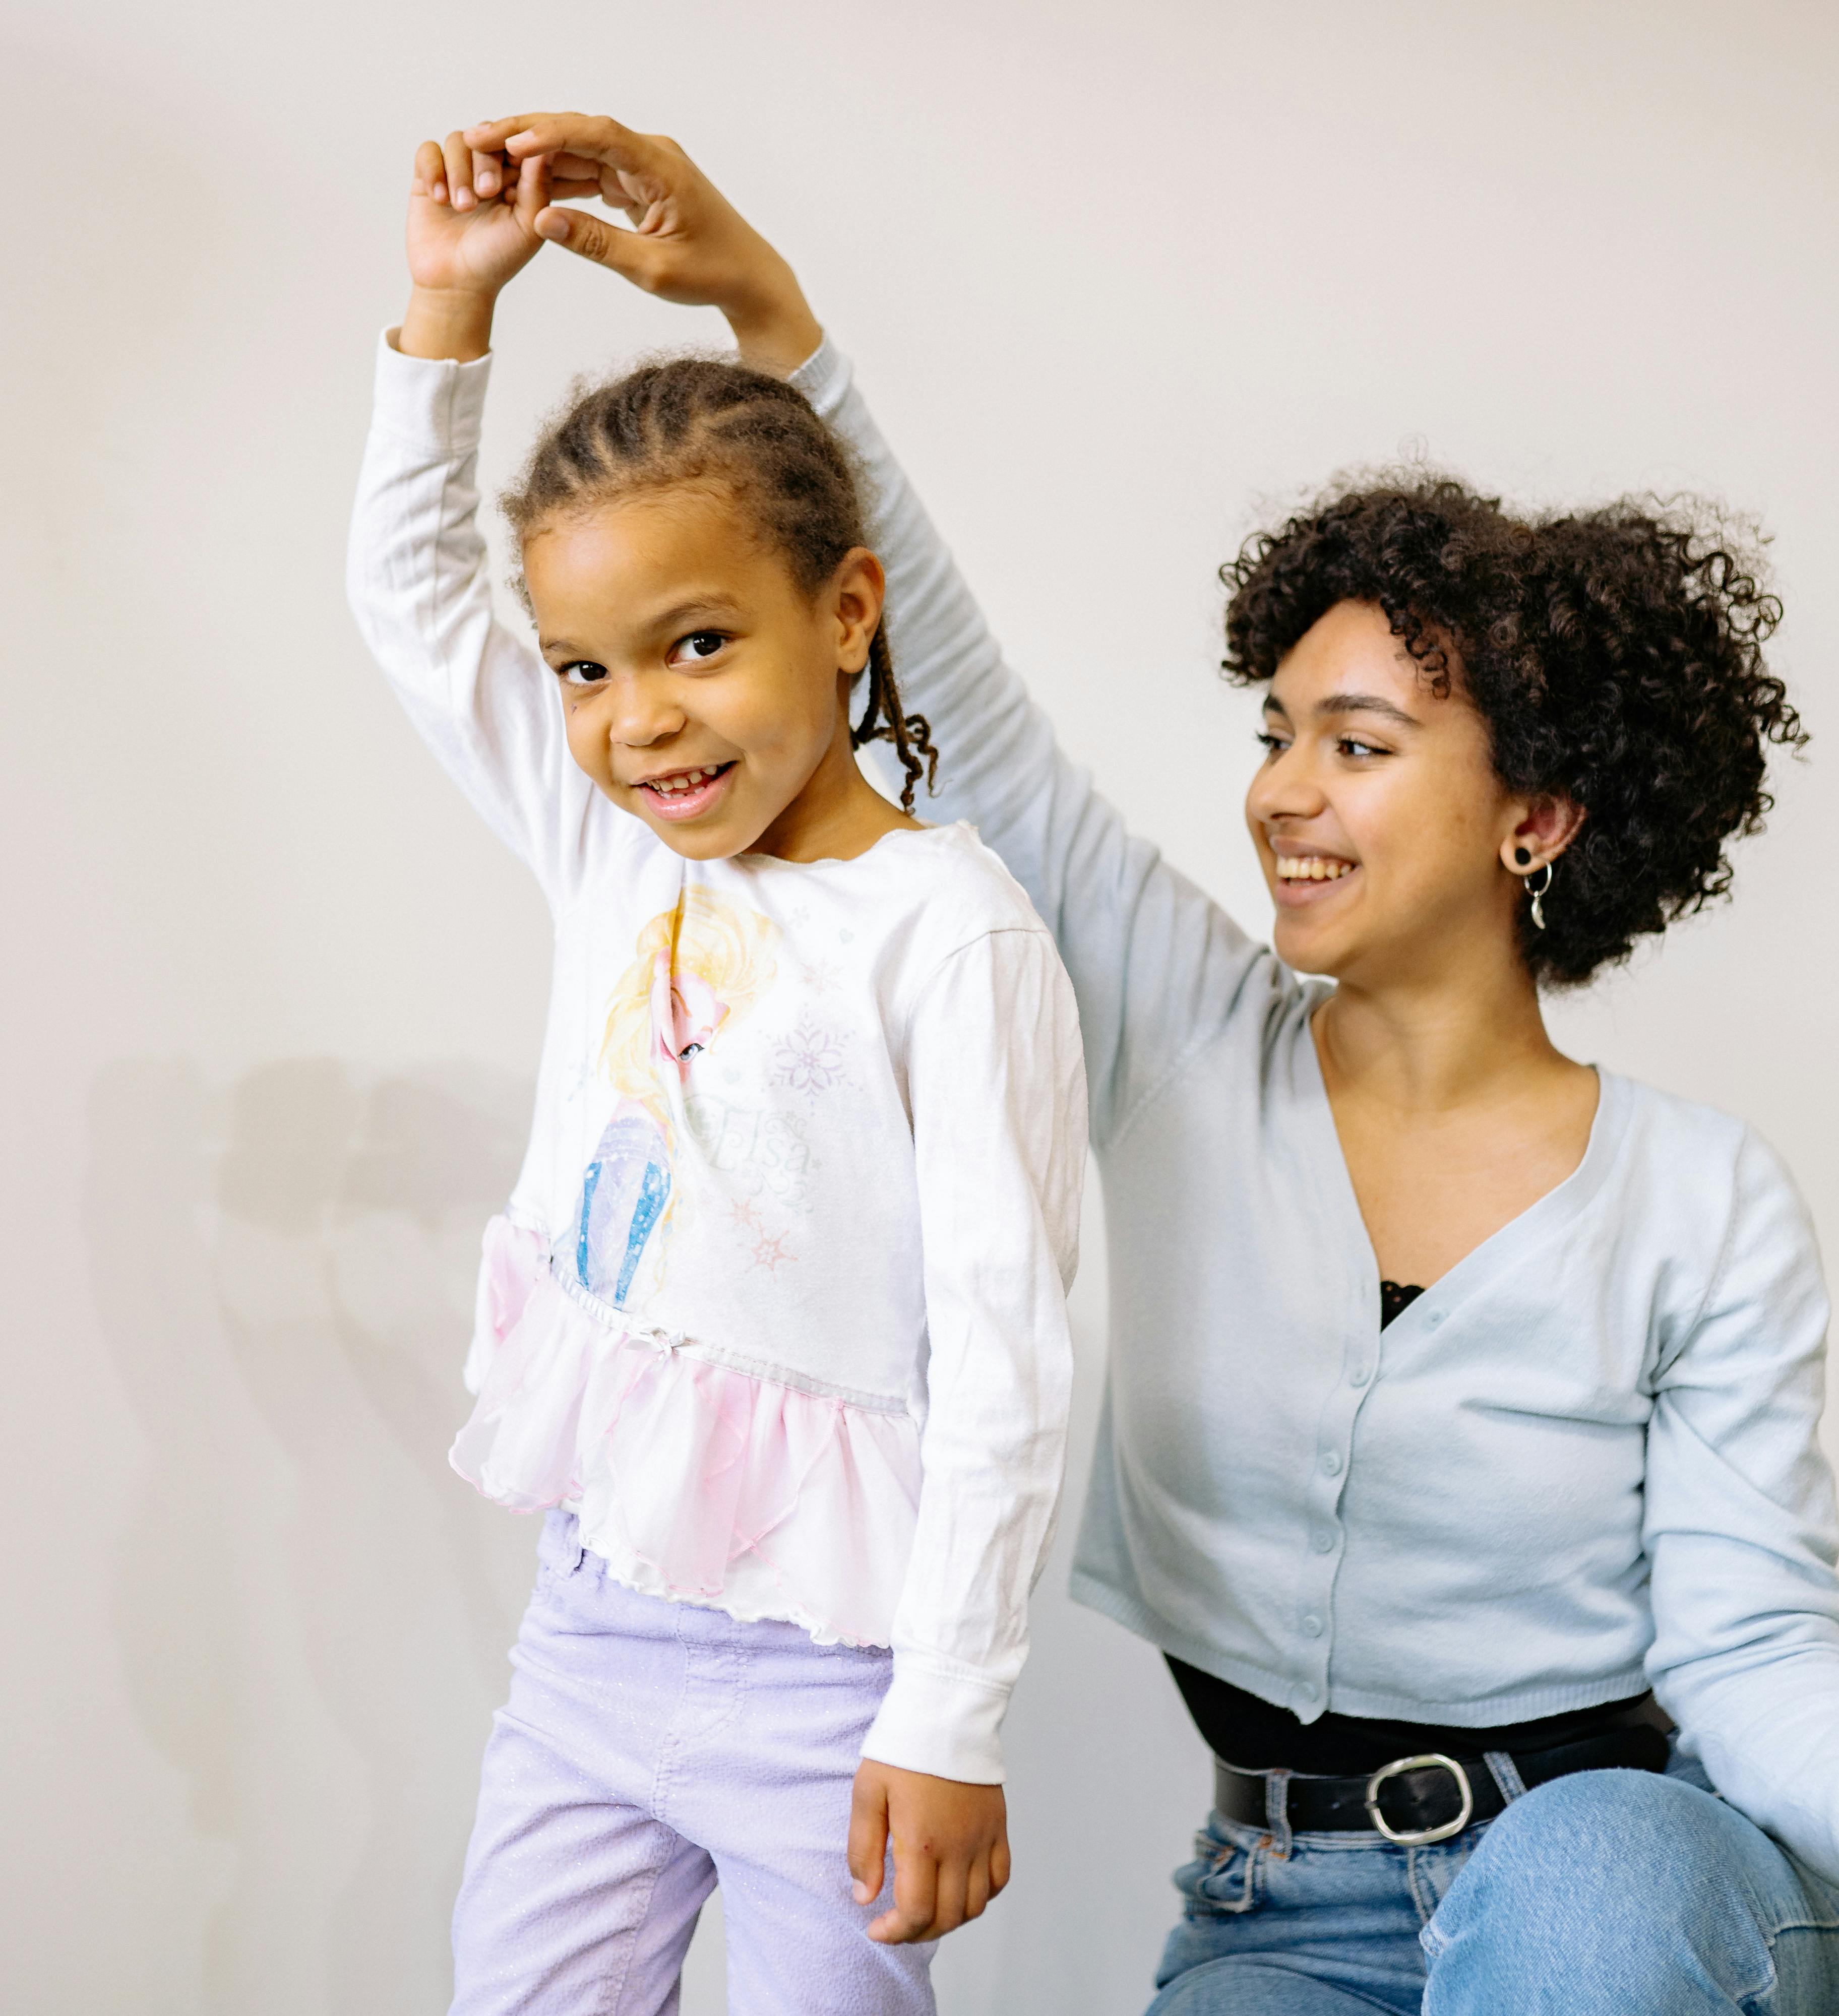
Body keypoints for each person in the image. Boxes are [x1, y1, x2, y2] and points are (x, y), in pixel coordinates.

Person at [450, 113, 1839, 2016]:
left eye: (1356, 746)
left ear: (1536, 816)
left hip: (1630, 1879)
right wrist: (766, 310)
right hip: (1286, 1908)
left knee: (1580, 1896)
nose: (1281, 792)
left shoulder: (1703, 1199)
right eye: (1276, 734)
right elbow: (961, 704)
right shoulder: (1182, 1046)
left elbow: (1755, 1656)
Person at [347, 130, 1090, 2014]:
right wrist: (446, 312)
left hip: (832, 1685)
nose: (639, 720)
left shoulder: (953, 935)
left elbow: (1009, 1354)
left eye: (696, 643)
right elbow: (413, 606)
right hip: (590, 1637)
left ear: (844, 613)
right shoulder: (614, 849)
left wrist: (950, 1714)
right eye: (584, 671)